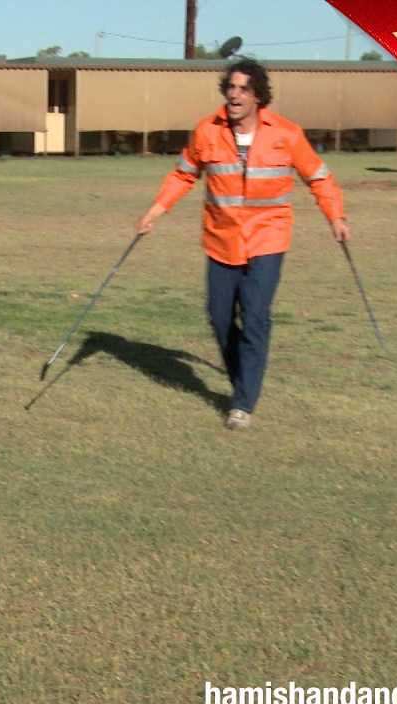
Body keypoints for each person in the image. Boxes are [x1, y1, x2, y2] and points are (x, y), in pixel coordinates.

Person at [134, 58, 348, 431]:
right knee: (219, 318)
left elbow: (319, 178)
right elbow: (184, 174)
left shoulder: (287, 134)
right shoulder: (207, 131)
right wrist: (155, 211)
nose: (234, 95)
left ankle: (243, 403)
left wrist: (336, 217)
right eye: (230, 87)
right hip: (221, 239)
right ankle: (243, 381)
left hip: (268, 238)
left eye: (243, 89)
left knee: (255, 316)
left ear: (258, 96)